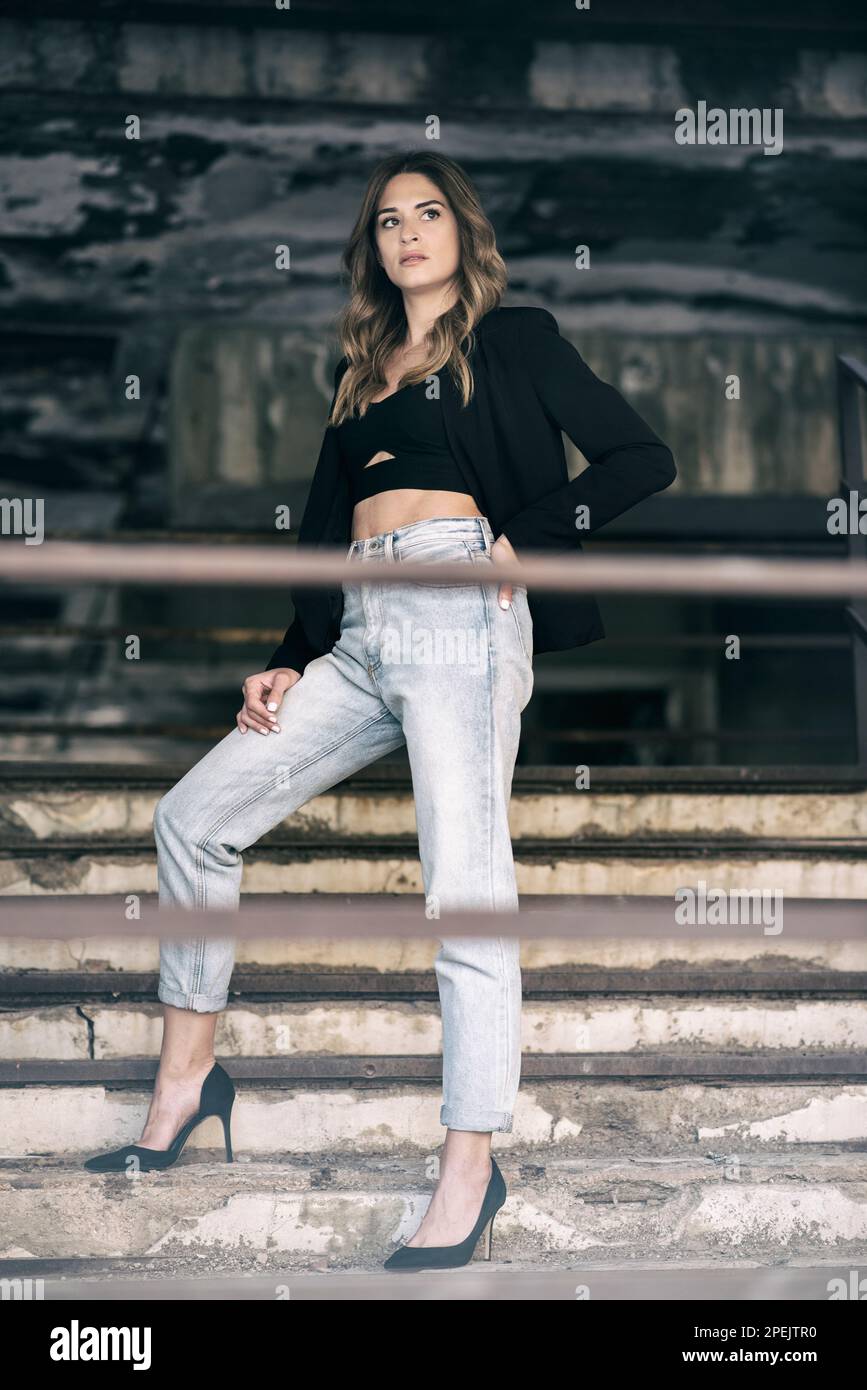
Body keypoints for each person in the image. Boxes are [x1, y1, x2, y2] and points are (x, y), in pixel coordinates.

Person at [84, 151, 676, 1271]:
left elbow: (644, 455)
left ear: (463, 231)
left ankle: (468, 1164)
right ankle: (187, 1079)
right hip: (358, 627)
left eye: (430, 213)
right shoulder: (358, 373)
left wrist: (522, 541)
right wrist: (289, 656)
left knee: (465, 888)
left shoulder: (512, 336)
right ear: (374, 247)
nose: (410, 233)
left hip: (461, 604)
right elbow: (322, 528)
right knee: (193, 818)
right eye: (390, 219)